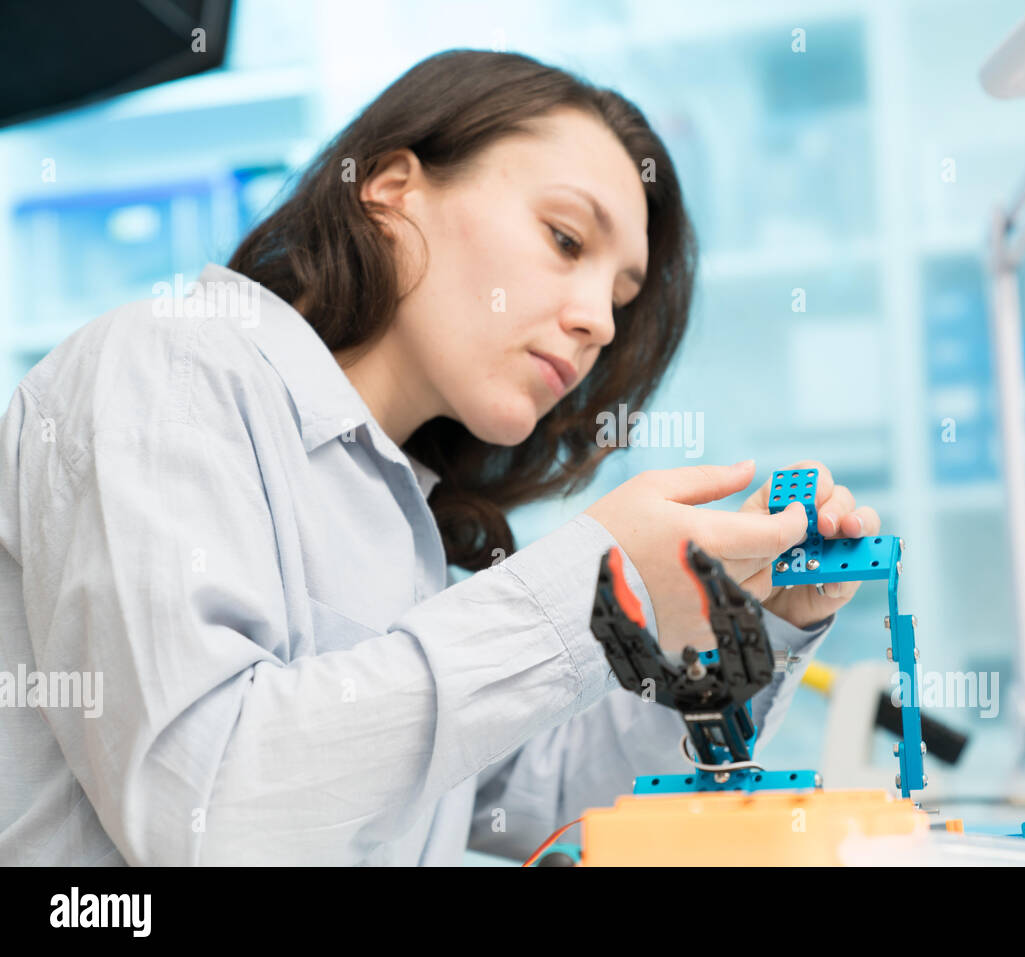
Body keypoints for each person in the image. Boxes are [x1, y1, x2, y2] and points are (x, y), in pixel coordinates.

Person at [0, 49, 880, 865]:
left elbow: (555, 795)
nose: (600, 324)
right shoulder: (172, 369)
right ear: (389, 189)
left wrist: (753, 624)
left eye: (621, 297)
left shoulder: (396, 514)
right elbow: (206, 804)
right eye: (566, 239)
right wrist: (593, 585)